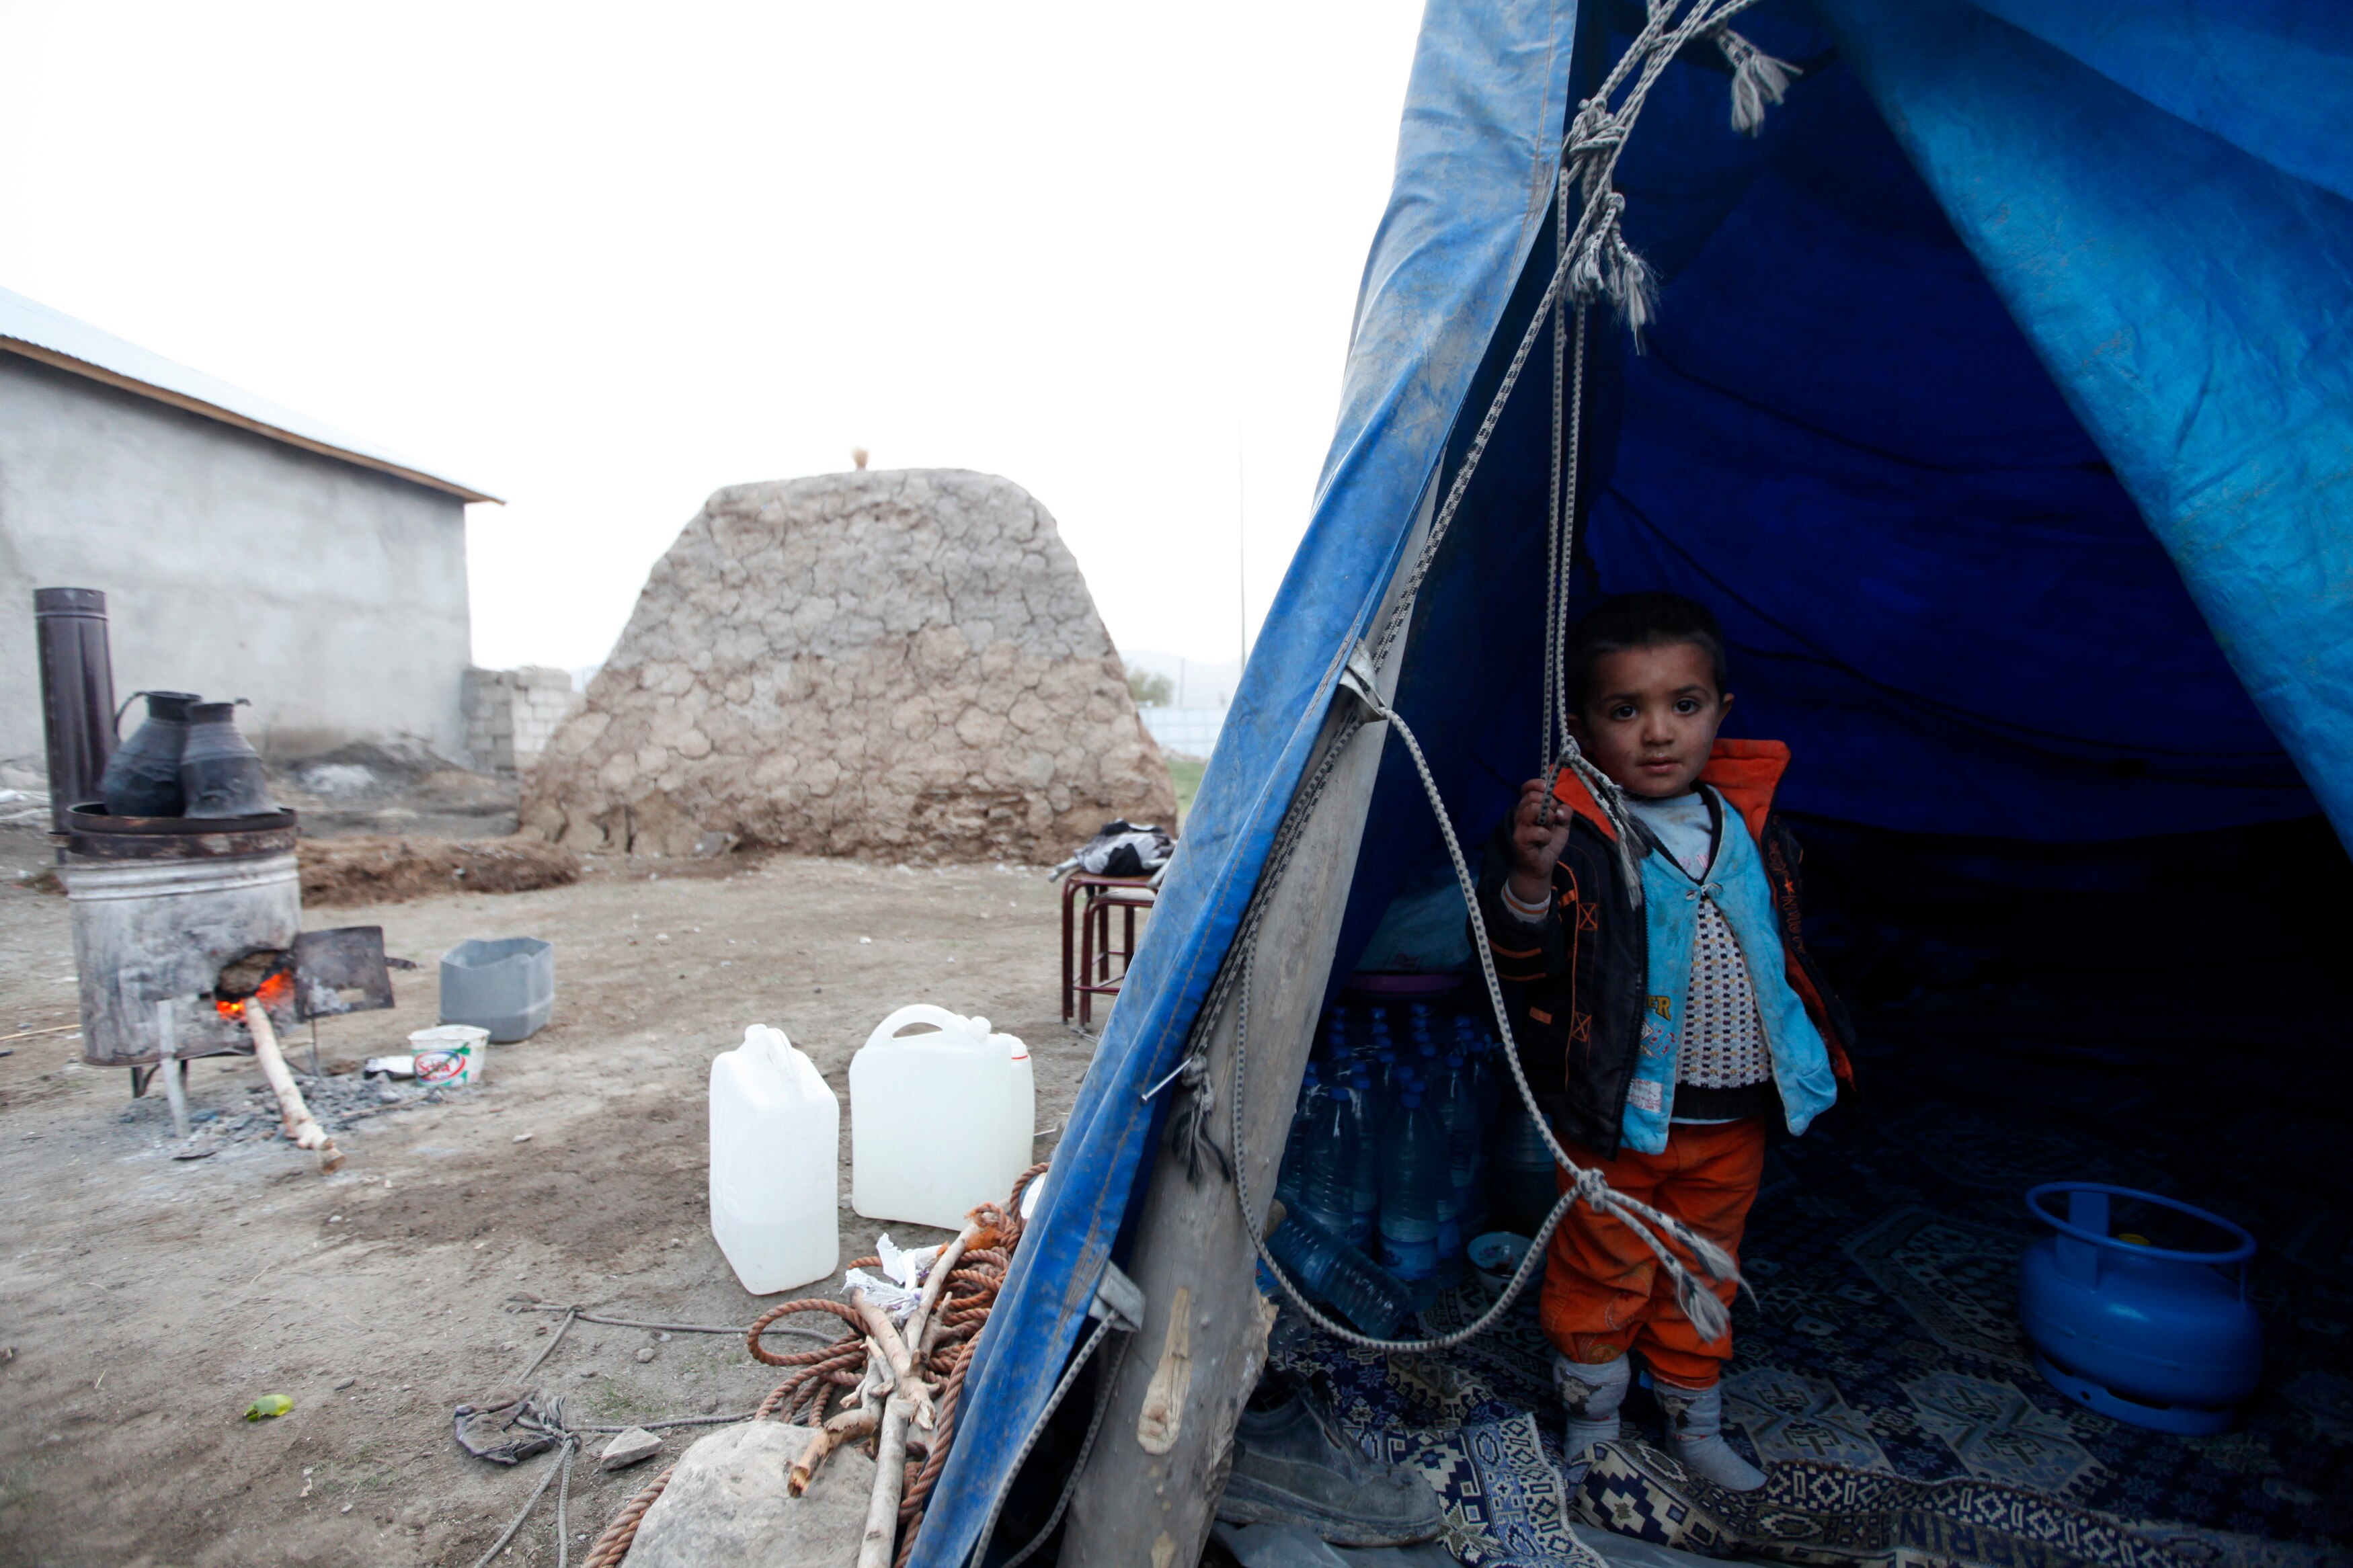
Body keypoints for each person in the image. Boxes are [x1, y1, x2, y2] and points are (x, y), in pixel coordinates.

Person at [1476, 591, 1854, 1491]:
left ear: (1721, 714)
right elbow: (1515, 962)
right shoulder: (1570, 837)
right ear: (1581, 730)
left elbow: (1785, 949)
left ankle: (1693, 1417)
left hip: (1734, 1114)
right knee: (1602, 1260)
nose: (1657, 733)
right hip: (1615, 1117)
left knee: (1704, 1263)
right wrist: (1529, 879)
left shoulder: (1751, 824)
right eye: (1625, 709)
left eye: (1683, 705)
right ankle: (1594, 1415)